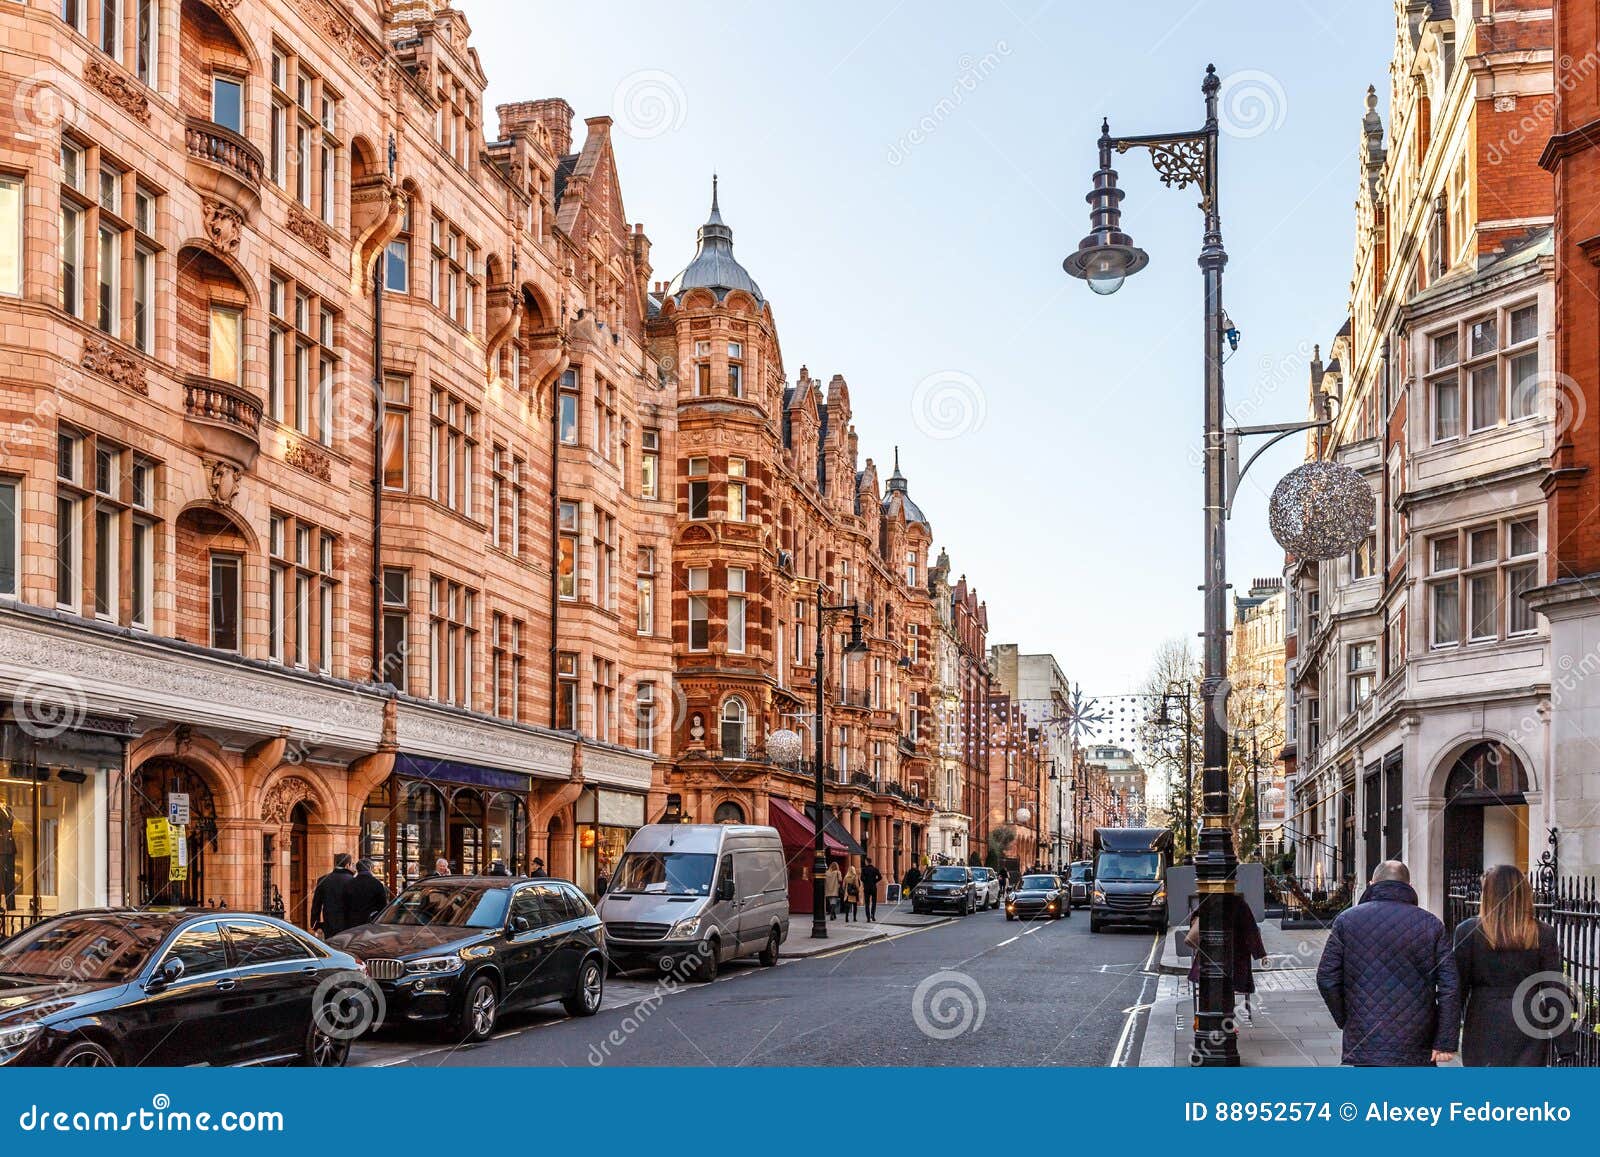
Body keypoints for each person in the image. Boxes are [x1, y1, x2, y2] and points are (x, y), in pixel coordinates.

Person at [1316, 860, 1460, 1066]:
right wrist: (1445, 1040)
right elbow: (1449, 987)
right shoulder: (1431, 924)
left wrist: (1347, 1019)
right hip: (1418, 1036)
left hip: (1365, 1035)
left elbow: (1327, 978)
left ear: (1371, 884)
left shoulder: (1346, 921)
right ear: (1409, 886)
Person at [1453, 864, 1576, 1066]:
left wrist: (1445, 1039)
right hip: (1528, 1020)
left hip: (1483, 1020)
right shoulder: (1542, 932)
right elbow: (1553, 989)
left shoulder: (1467, 931)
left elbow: (1457, 989)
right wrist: (1566, 1046)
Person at [1186, 897, 1267, 1021]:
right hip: (1233, 958)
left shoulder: (1208, 900)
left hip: (1210, 957)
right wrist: (1260, 953)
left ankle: (1214, 1016)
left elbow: (1194, 922)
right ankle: (1225, 1017)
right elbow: (1250, 930)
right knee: (1228, 983)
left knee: (1215, 983)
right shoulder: (1238, 903)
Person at [309, 853, 357, 939]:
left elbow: (316, 905)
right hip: (348, 926)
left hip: (329, 924)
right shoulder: (353, 881)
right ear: (347, 865)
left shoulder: (323, 879)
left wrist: (315, 925)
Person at [346, 858, 390, 928]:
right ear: (370, 868)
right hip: (371, 921)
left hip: (352, 922)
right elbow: (383, 905)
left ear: (357, 869)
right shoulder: (377, 884)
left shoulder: (350, 883)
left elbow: (345, 903)